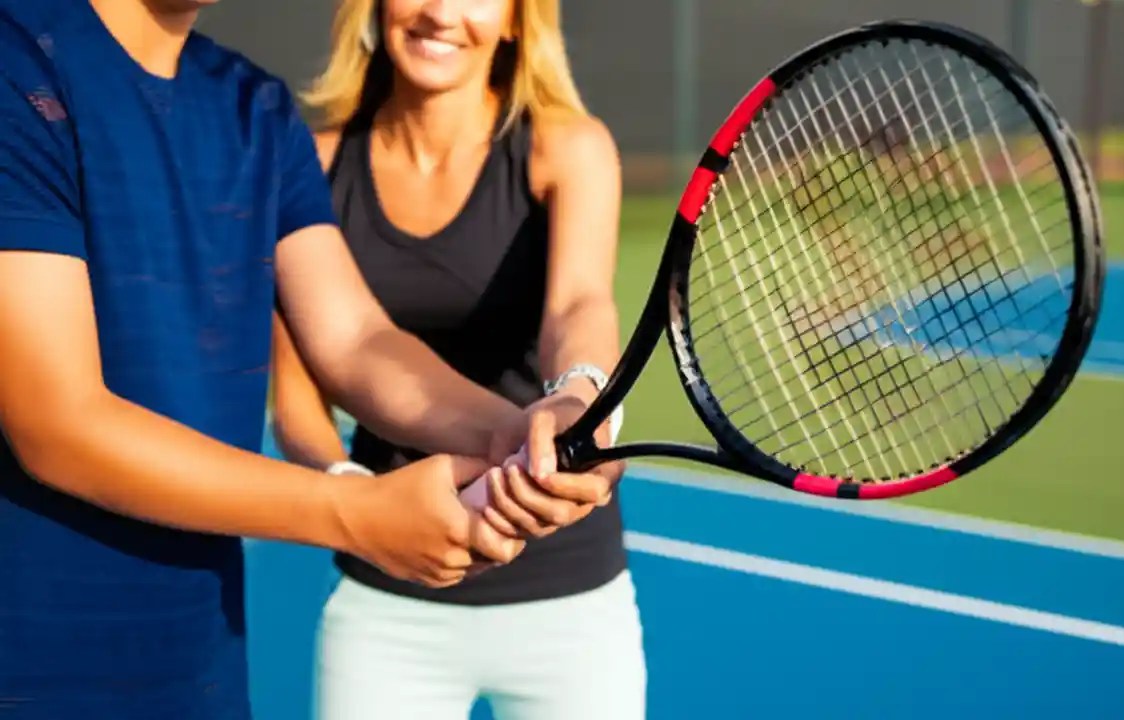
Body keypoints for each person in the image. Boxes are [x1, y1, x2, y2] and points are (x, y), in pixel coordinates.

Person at [0, 0, 615, 717]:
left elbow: (356, 340)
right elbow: (56, 423)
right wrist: (354, 510)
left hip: (199, 663)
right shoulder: (17, 67)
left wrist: (514, 433)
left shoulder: (255, 108)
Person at [267, 0, 647, 718]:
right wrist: (362, 501)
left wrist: (579, 395)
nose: (442, 13)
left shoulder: (567, 148)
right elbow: (297, 401)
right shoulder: (308, 166)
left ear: (516, 19)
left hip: (570, 605)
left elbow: (579, 306)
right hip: (388, 602)